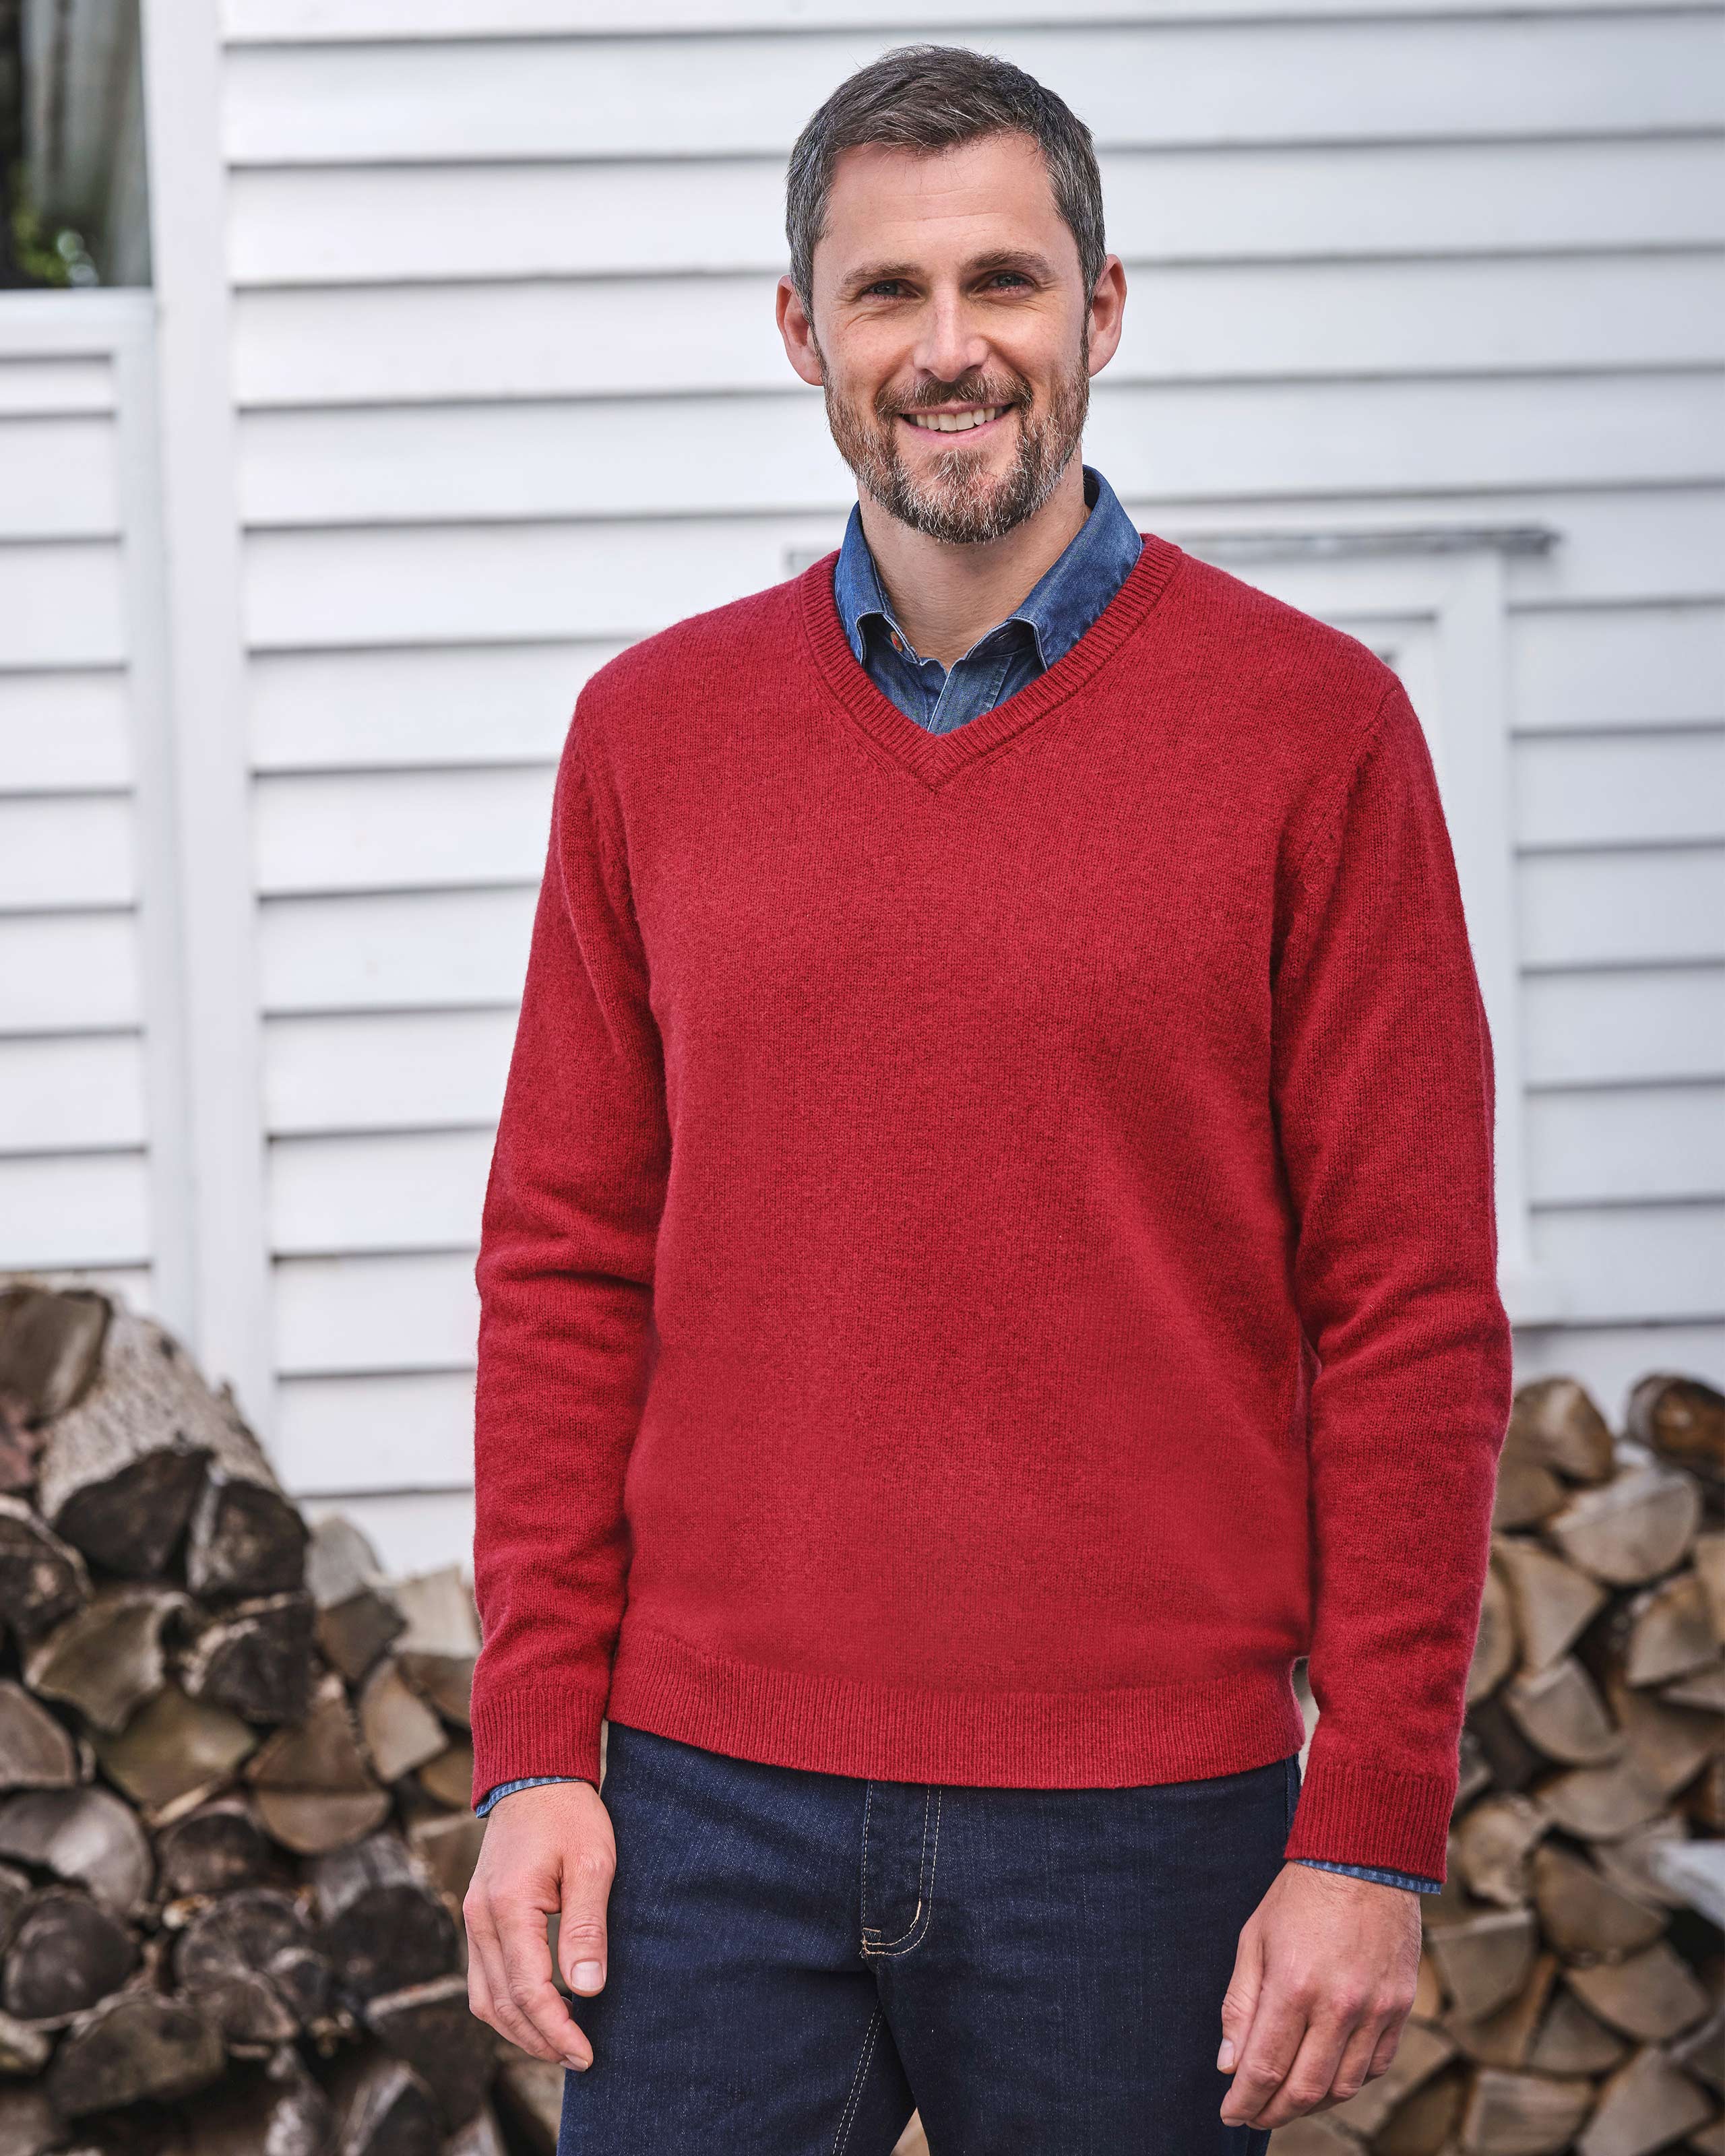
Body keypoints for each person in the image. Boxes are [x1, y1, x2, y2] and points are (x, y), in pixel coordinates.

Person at [460, 42, 1513, 2153]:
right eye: (888, 292)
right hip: (706, 1808)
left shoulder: (1317, 733)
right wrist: (536, 1751)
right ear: (804, 334)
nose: (951, 347)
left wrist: (1373, 1822)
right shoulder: (651, 735)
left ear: (1099, 310)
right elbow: (565, 1267)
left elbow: (1409, 1309)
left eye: (1006, 282)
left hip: (1145, 1827)